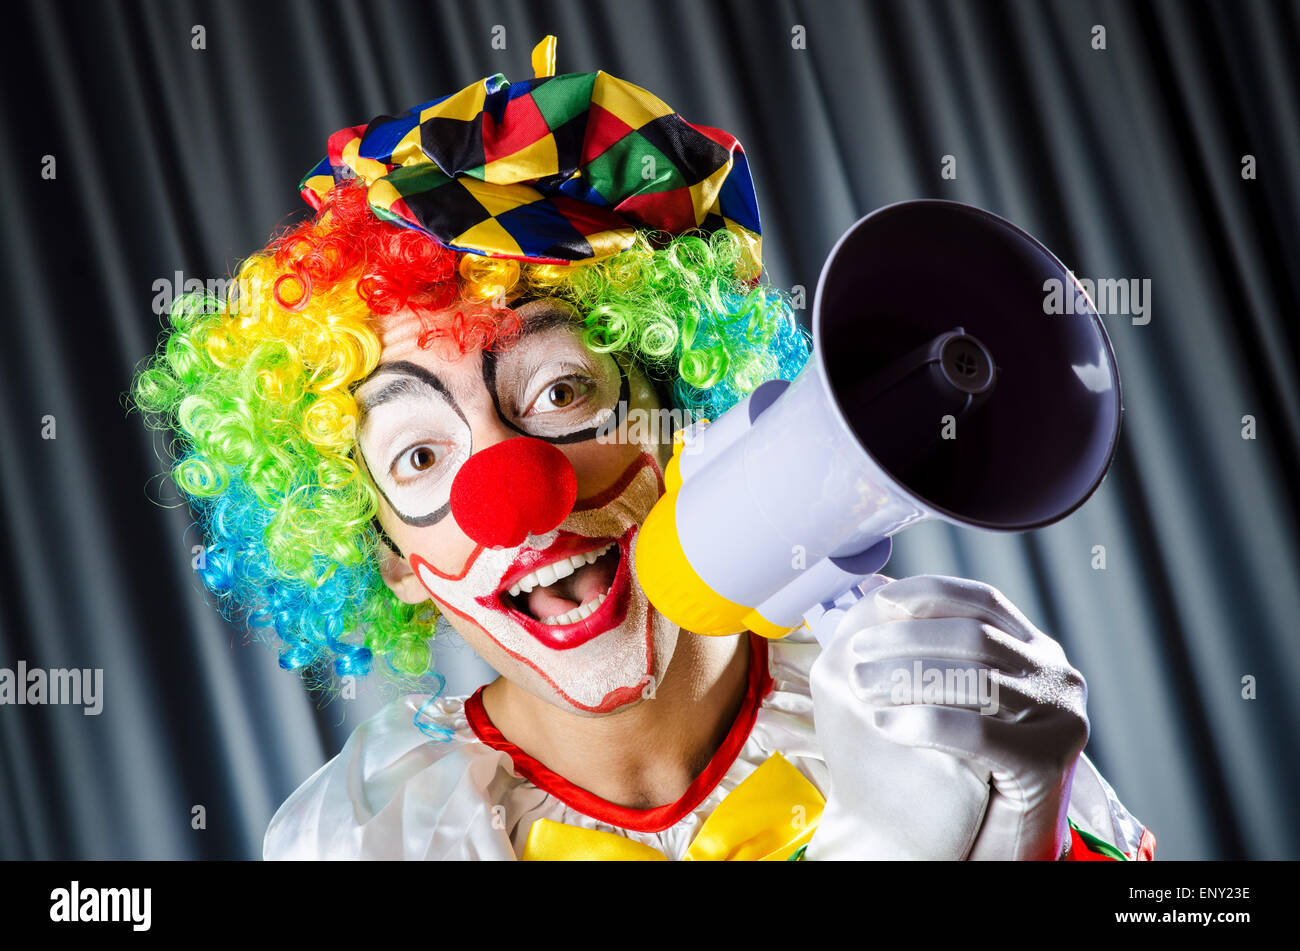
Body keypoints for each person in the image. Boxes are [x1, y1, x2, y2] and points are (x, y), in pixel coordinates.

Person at [133, 38, 1155, 861]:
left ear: (681, 413)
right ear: (394, 559)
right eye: (416, 460)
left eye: (562, 390)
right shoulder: (364, 838)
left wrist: (1032, 838)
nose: (517, 494)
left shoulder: (933, 708)